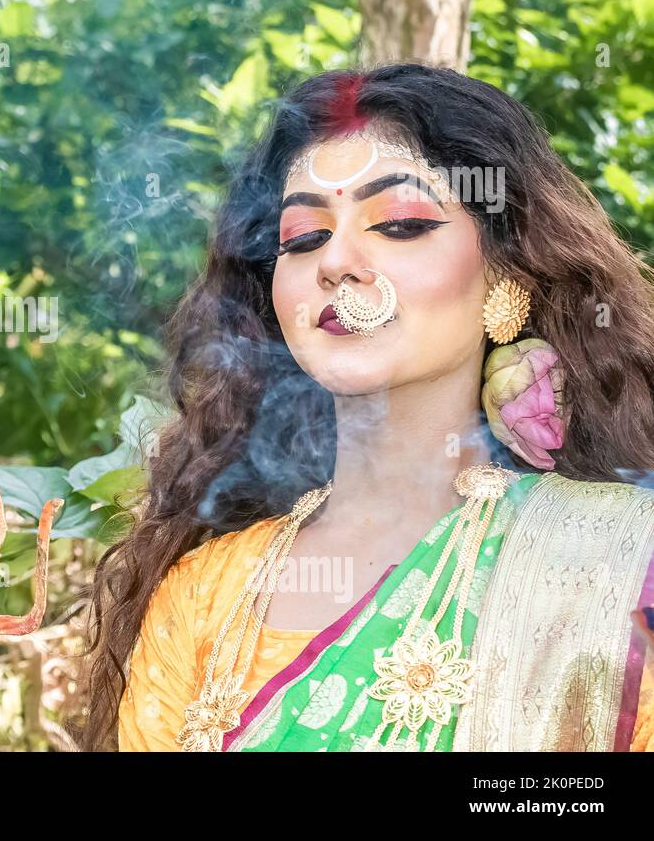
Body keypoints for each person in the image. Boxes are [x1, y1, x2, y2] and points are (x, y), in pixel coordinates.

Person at [71, 65, 654, 752]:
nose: (337, 262)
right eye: (302, 239)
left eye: (401, 224)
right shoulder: (206, 596)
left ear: (506, 276)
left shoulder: (613, 561)